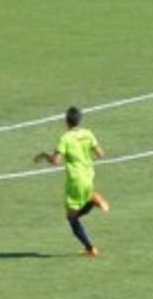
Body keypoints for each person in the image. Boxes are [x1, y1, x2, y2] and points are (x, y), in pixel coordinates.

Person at [34, 106, 110, 257]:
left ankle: (90, 248)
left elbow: (55, 161)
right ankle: (91, 200)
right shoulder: (88, 133)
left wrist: (44, 155)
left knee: (71, 218)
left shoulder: (66, 138)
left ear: (66, 121)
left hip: (75, 180)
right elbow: (100, 154)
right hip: (89, 176)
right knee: (75, 212)